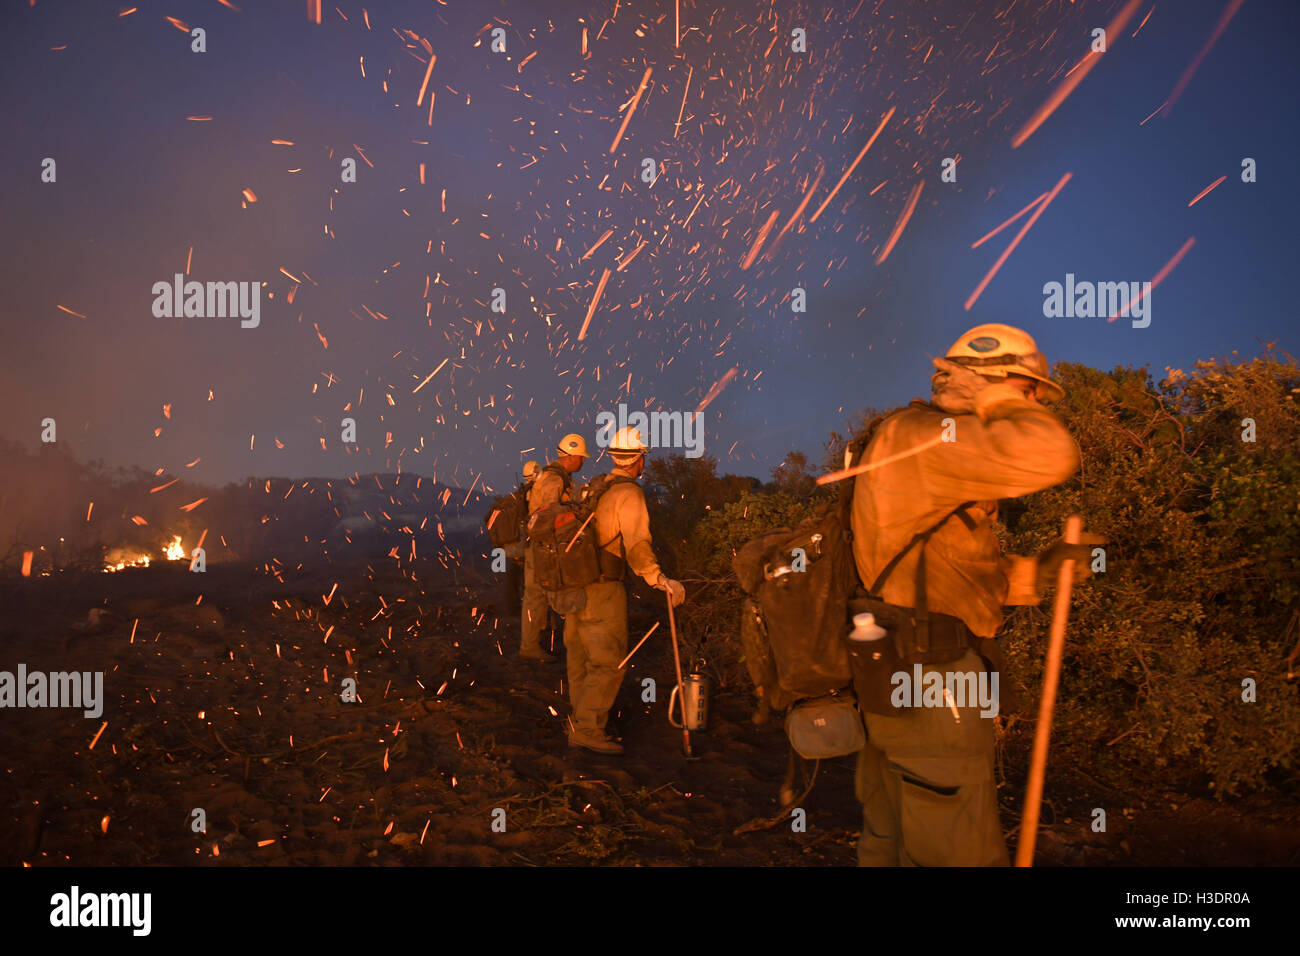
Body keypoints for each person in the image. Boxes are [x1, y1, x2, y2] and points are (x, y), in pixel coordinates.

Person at [850, 323, 1102, 866]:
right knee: (955, 845)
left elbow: (955, 571)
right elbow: (1049, 453)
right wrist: (998, 395)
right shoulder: (925, 435)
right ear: (997, 379)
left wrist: (1038, 573)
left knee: (892, 839)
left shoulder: (918, 439)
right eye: (1028, 390)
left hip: (895, 669)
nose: (1031, 402)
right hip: (932, 677)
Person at [563, 427, 685, 754]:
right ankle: (588, 729)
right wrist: (659, 579)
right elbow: (637, 546)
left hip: (573, 585)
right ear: (638, 459)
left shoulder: (594, 488)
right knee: (608, 662)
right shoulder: (628, 493)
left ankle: (579, 718)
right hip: (602, 589)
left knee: (579, 657)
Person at [520, 435, 588, 661]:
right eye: (581, 458)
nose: (583, 462)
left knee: (536, 595)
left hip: (539, 547)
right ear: (571, 457)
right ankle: (531, 647)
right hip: (543, 548)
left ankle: (532, 645)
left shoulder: (555, 476)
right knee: (541, 595)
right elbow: (549, 517)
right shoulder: (554, 480)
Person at [502, 461, 540, 617]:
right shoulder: (534, 494)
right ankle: (530, 614)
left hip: (512, 547)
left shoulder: (518, 495)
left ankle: (512, 609)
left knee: (512, 579)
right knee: (531, 586)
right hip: (526, 546)